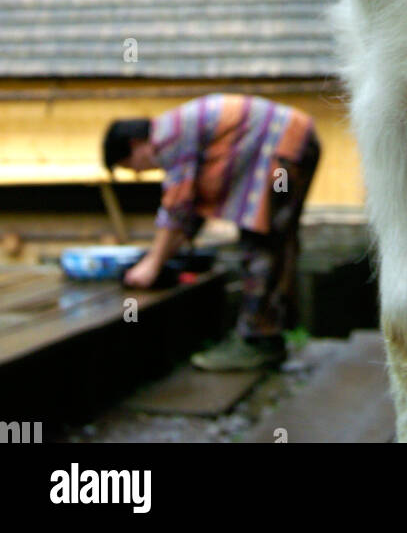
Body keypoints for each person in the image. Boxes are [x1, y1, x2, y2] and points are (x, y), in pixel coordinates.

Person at [103, 93, 320, 371]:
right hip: (293, 142)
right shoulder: (179, 127)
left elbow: (177, 207)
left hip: (284, 152)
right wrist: (165, 253)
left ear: (135, 145)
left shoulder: (168, 137)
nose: (140, 172)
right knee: (274, 240)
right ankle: (269, 335)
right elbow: (191, 210)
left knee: (262, 242)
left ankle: (257, 342)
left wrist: (152, 265)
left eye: (131, 167)